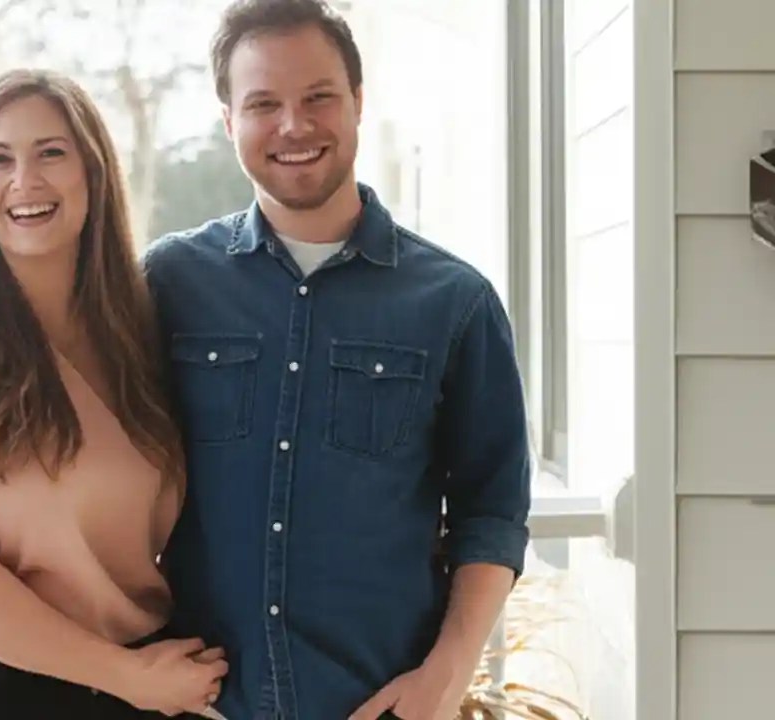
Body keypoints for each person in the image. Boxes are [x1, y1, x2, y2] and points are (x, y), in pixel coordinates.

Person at [142, 1, 532, 719]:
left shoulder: (456, 303)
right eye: (263, 103)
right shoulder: (166, 285)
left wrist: (444, 681)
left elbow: (493, 510)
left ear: (357, 101)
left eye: (318, 97)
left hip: (377, 705)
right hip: (198, 706)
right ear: (229, 121)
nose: (294, 126)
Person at [0, 68, 228, 720]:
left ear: (94, 173)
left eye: (50, 153)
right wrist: (128, 677)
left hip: (123, 688)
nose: (23, 181)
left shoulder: (136, 333)